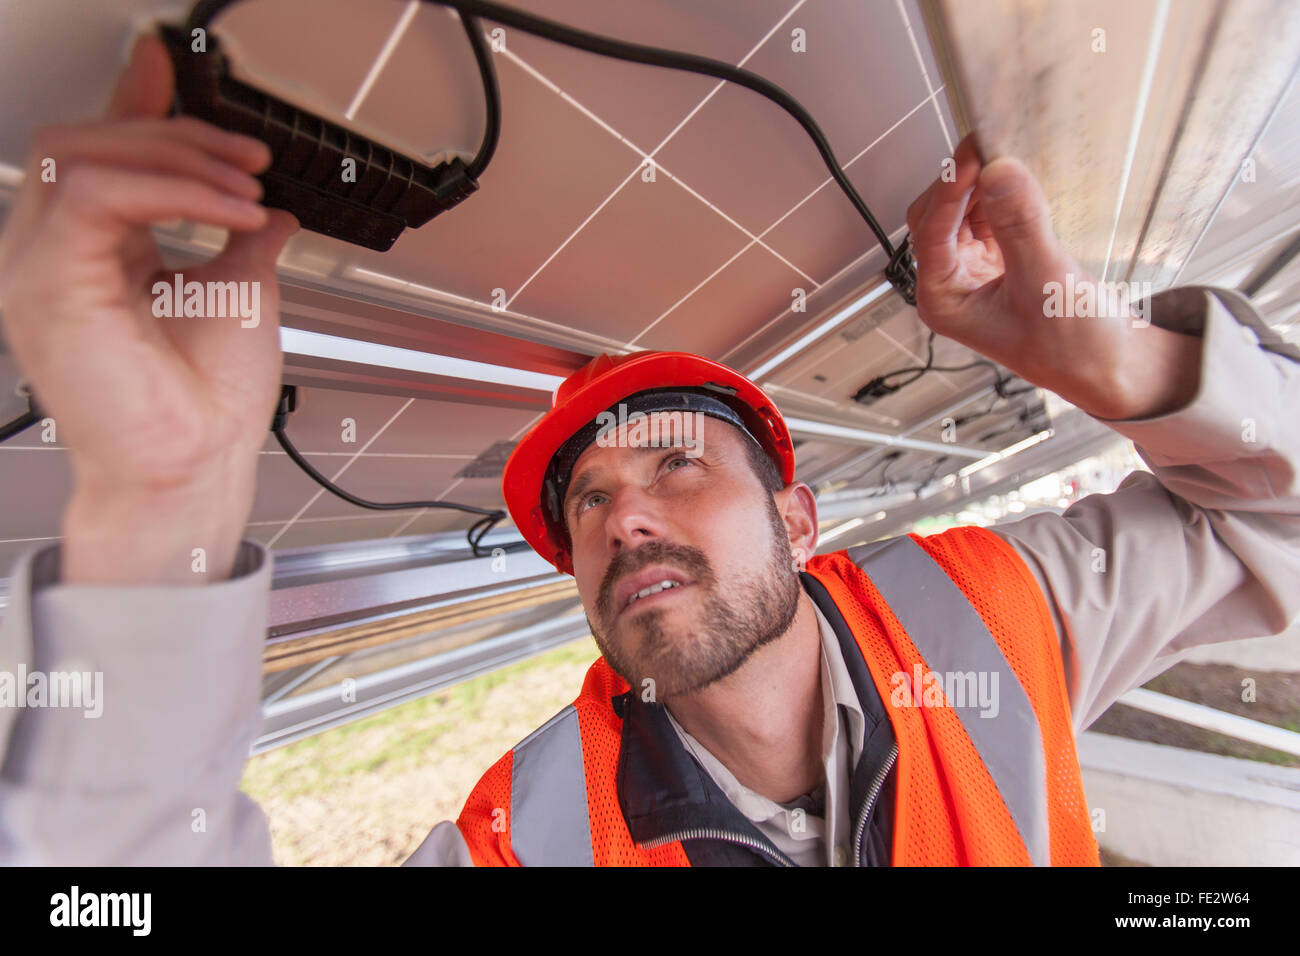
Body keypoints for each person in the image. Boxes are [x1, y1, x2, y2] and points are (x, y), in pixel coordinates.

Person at [1, 34, 1297, 867]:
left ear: (799, 521)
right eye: (589, 503)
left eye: (679, 465)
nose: (622, 517)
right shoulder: (531, 836)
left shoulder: (1002, 613)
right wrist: (155, 509)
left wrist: (1106, 358)